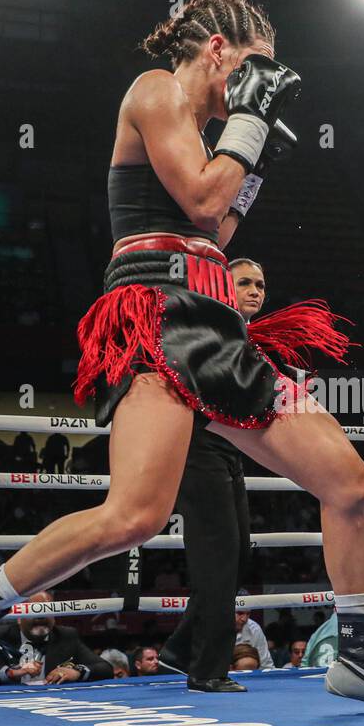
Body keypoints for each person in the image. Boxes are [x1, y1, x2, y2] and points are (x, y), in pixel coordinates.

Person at [0, 0, 364, 715]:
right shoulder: (155, 92)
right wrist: (249, 127)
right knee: (133, 517)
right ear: (217, 49)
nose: (260, 88)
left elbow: (215, 230)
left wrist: (255, 160)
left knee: (350, 484)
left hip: (217, 327)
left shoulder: (211, 132)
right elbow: (195, 196)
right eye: (254, 70)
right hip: (153, 317)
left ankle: (360, 658)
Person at [158, 258, 269, 693]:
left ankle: (182, 647)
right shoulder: (205, 330)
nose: (256, 290)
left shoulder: (244, 335)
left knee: (239, 553)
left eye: (260, 284)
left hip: (229, 450)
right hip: (198, 447)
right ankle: (206, 669)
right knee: (218, 558)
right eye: (245, 283)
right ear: (222, 288)